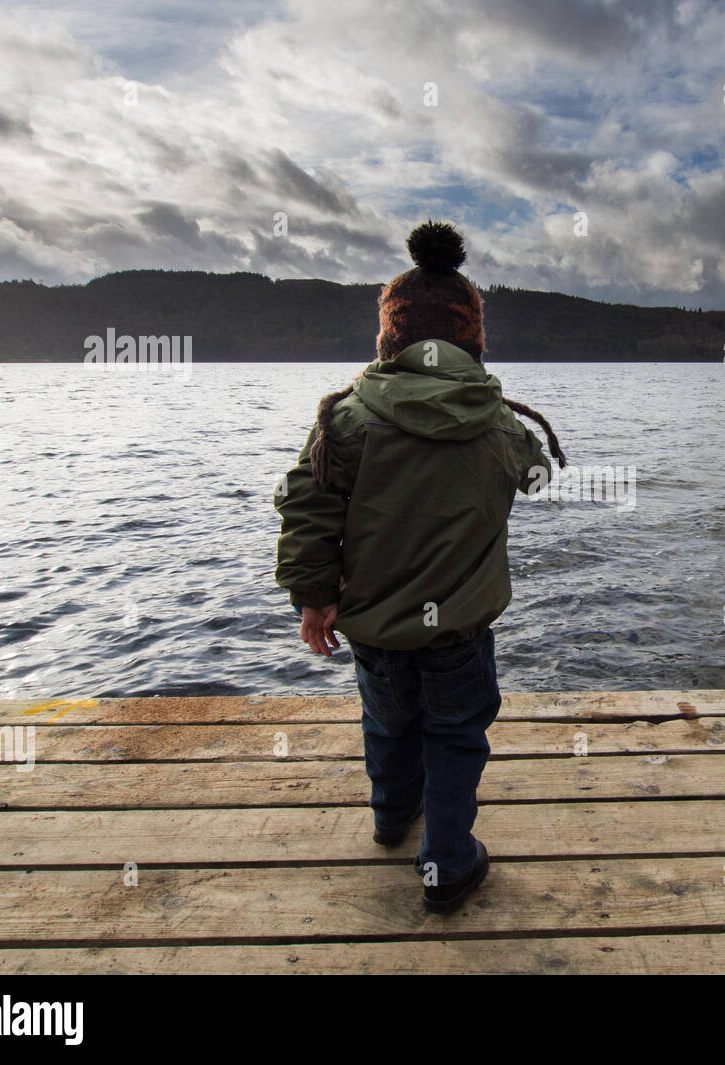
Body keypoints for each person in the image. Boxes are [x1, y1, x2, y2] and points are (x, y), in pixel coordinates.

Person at [273, 220, 566, 914]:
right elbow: (537, 476)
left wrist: (314, 599)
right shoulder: (496, 423)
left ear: (390, 338)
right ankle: (448, 865)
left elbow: (307, 510)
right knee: (455, 738)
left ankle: (389, 818)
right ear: (472, 340)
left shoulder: (344, 420)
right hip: (458, 632)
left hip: (374, 629)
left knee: (388, 726)